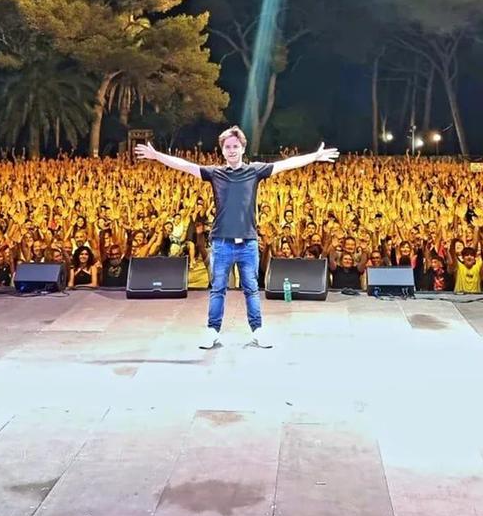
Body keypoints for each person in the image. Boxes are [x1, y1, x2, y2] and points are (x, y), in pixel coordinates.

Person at [136, 125, 338, 350]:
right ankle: (212, 331)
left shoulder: (255, 171)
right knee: (218, 290)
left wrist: (314, 157)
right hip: (221, 243)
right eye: (227, 147)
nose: (231, 150)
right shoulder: (215, 173)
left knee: (251, 289)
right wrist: (157, 156)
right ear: (222, 150)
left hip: (248, 243)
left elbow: (286, 164)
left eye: (235, 146)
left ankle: (258, 330)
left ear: (243, 148)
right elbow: (185, 165)